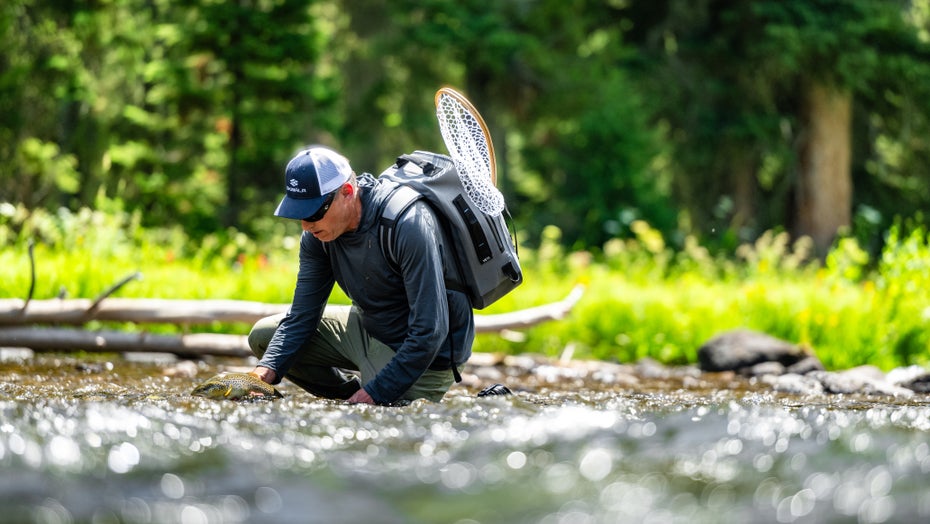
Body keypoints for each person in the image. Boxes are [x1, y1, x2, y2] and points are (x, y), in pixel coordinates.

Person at [247, 146, 474, 405]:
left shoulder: (407, 223)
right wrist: (259, 377)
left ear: (347, 191)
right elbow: (303, 316)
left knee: (384, 420)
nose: (306, 225)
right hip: (371, 327)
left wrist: (373, 394)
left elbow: (430, 332)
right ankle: (347, 396)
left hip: (428, 354)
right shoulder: (318, 236)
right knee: (264, 338)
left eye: (313, 212)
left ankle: (365, 395)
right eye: (299, 213)